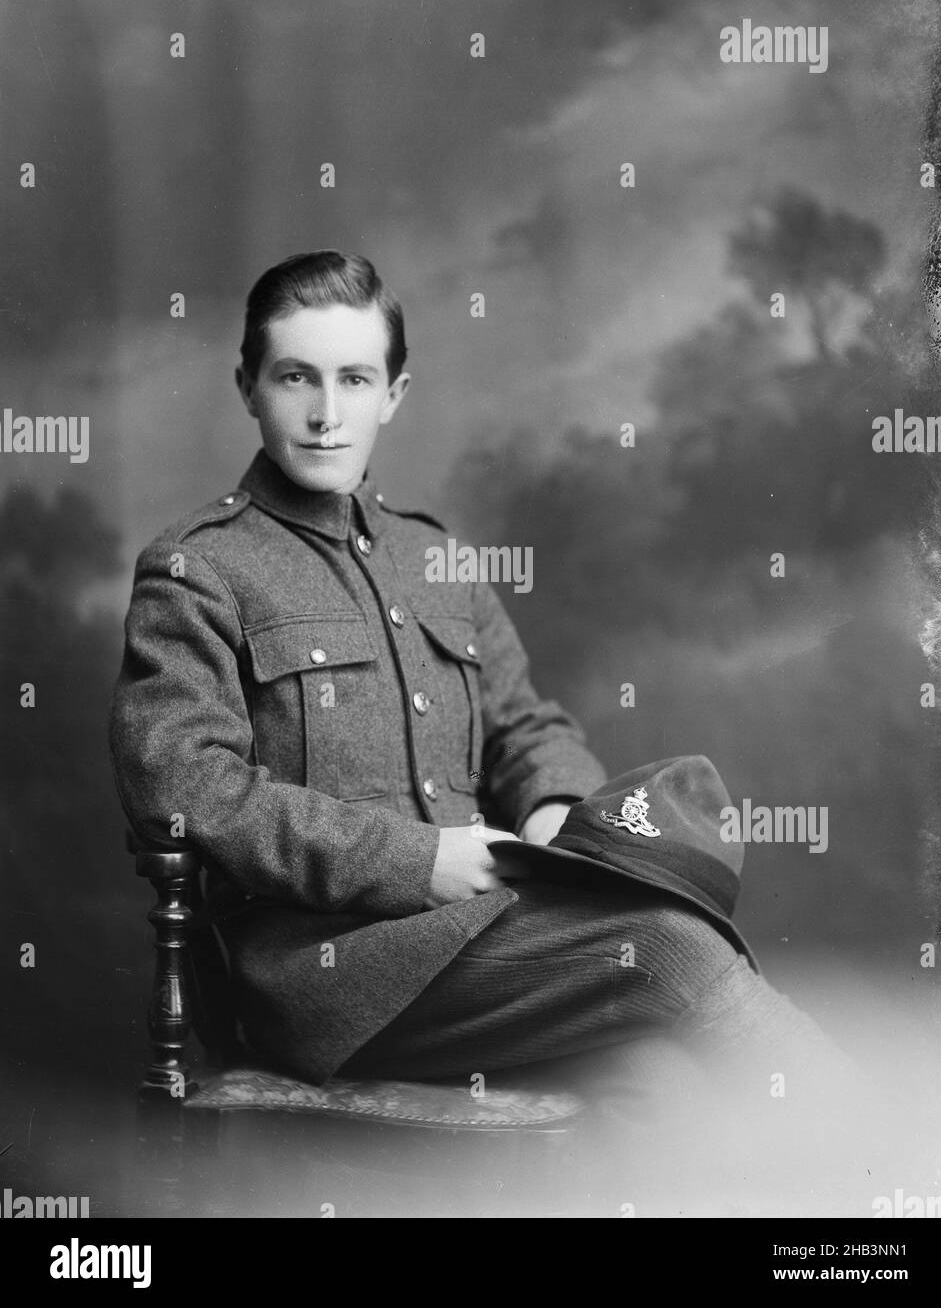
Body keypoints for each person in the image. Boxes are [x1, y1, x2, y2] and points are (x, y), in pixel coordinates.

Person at [108, 251, 858, 1145]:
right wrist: (417, 860)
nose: (324, 412)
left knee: (660, 1080)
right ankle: (900, 1155)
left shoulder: (439, 559)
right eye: (295, 377)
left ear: (394, 393)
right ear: (248, 386)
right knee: (666, 950)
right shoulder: (199, 567)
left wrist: (556, 812)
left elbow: (525, 725)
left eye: (354, 379)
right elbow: (185, 791)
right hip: (328, 977)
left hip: (490, 937)